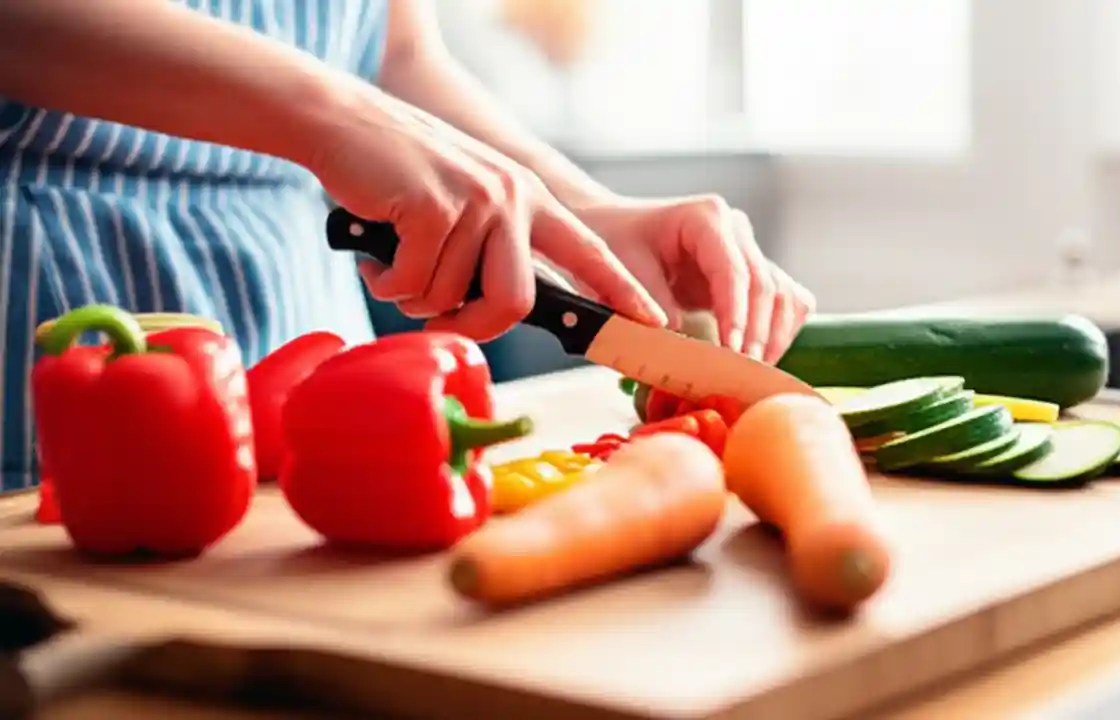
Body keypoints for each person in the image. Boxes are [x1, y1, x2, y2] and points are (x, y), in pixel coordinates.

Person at [0, 0, 815, 492]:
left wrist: (581, 210)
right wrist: (331, 115)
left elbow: (394, 54)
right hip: (60, 312)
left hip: (303, 335)